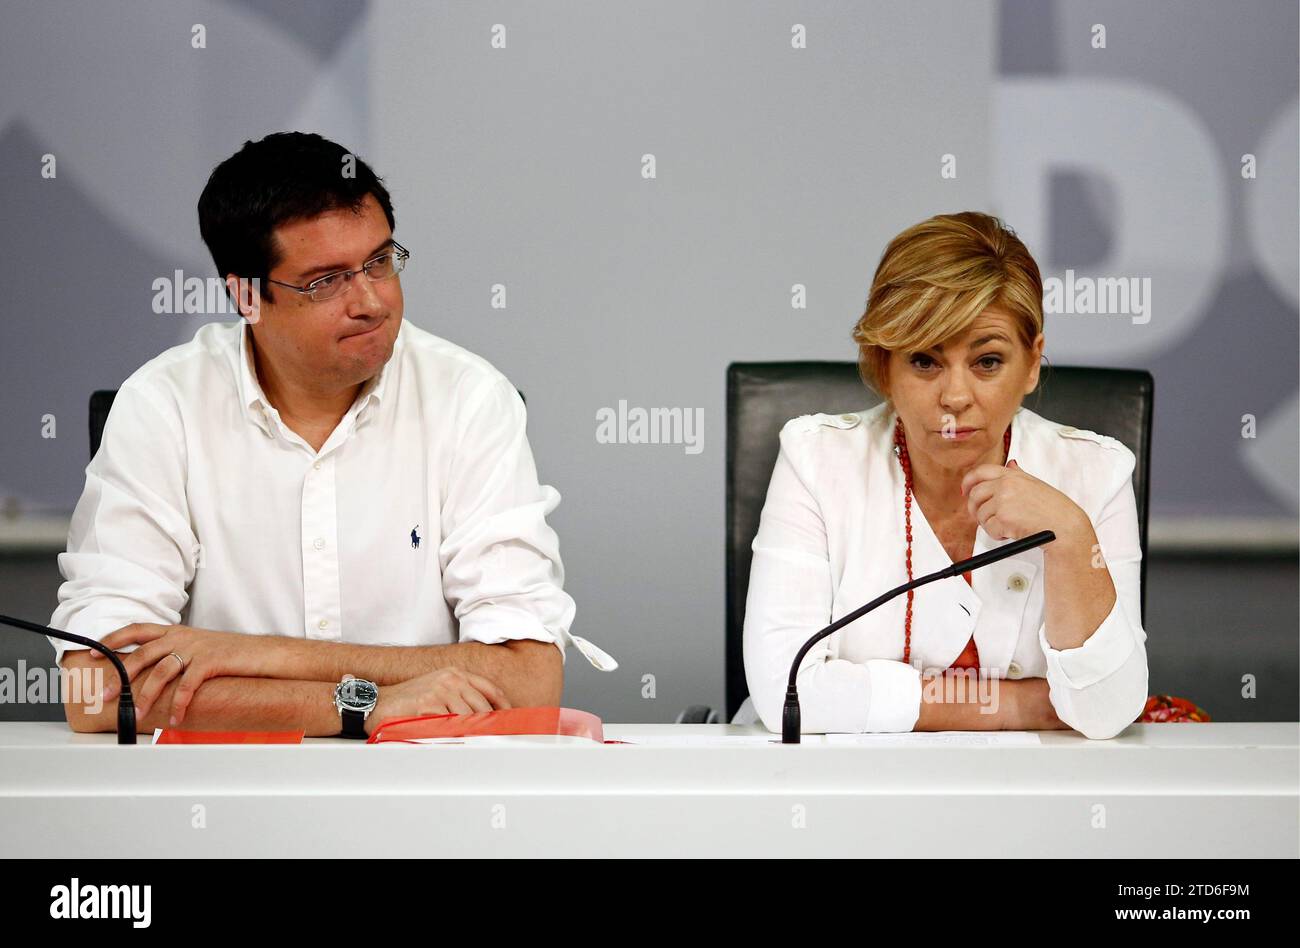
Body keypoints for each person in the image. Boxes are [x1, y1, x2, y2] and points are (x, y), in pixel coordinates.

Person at [51, 131, 615, 738]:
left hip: (426, 796)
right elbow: (97, 689)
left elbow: (530, 682)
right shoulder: (163, 406)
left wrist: (250, 655)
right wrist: (363, 703)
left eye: (379, 262)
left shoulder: (470, 399)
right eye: (326, 281)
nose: (371, 301)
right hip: (223, 795)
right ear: (247, 296)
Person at [742, 211, 1147, 739]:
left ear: (1031, 364)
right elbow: (785, 693)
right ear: (883, 366)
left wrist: (1070, 537)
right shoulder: (817, 461)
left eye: (987, 362)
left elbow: (1109, 709)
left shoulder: (1095, 473)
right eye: (926, 361)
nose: (956, 397)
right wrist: (1020, 708)